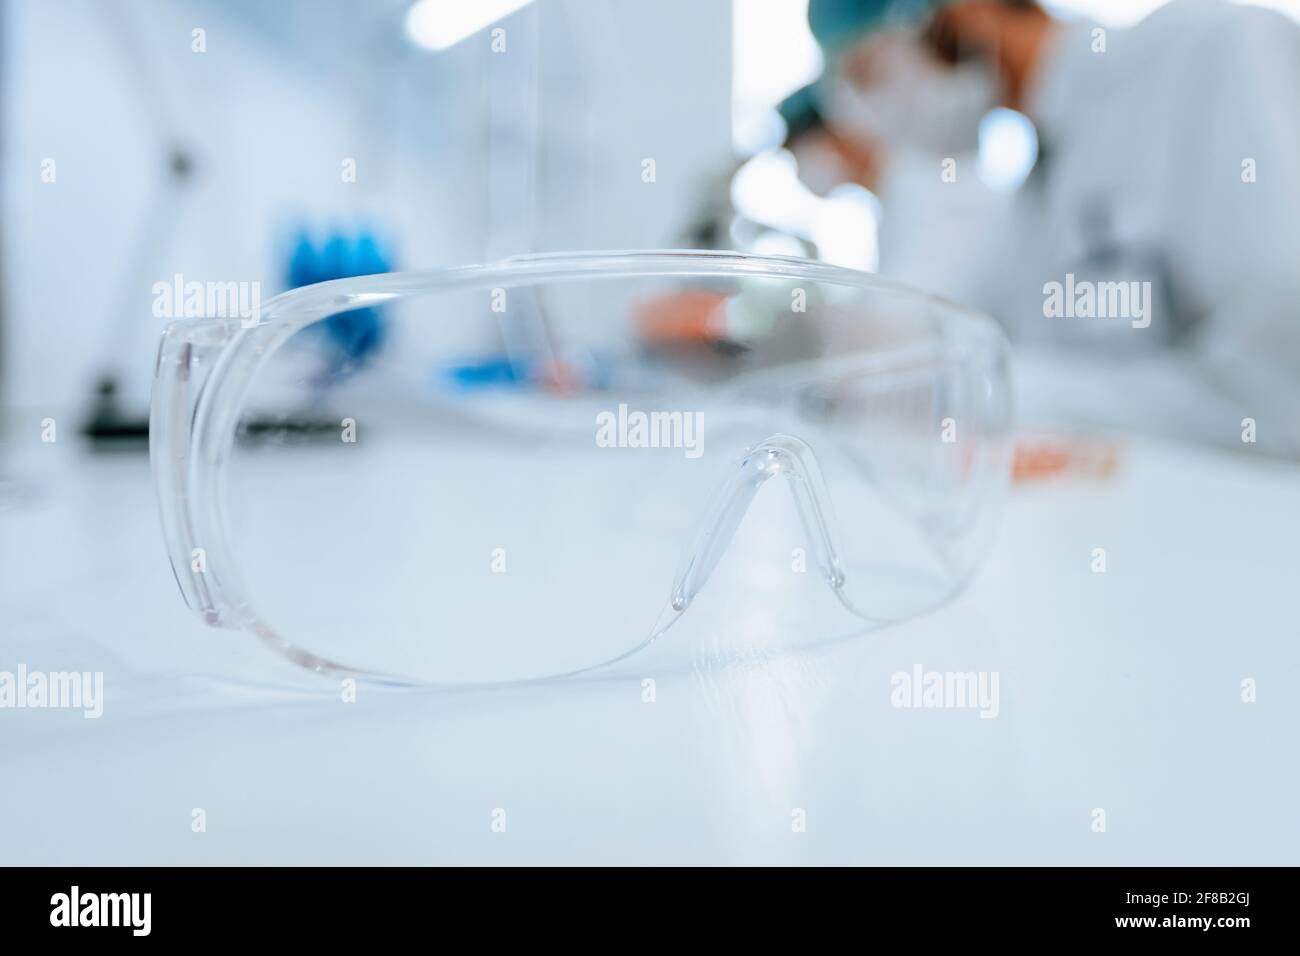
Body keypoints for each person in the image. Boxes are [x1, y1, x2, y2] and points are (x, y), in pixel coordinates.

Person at [787, 0, 1300, 457]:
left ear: (966, 13)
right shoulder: (1038, 185)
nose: (875, 114)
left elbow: (1278, 390)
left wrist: (998, 393)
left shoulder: (1223, 50)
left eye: (873, 72)